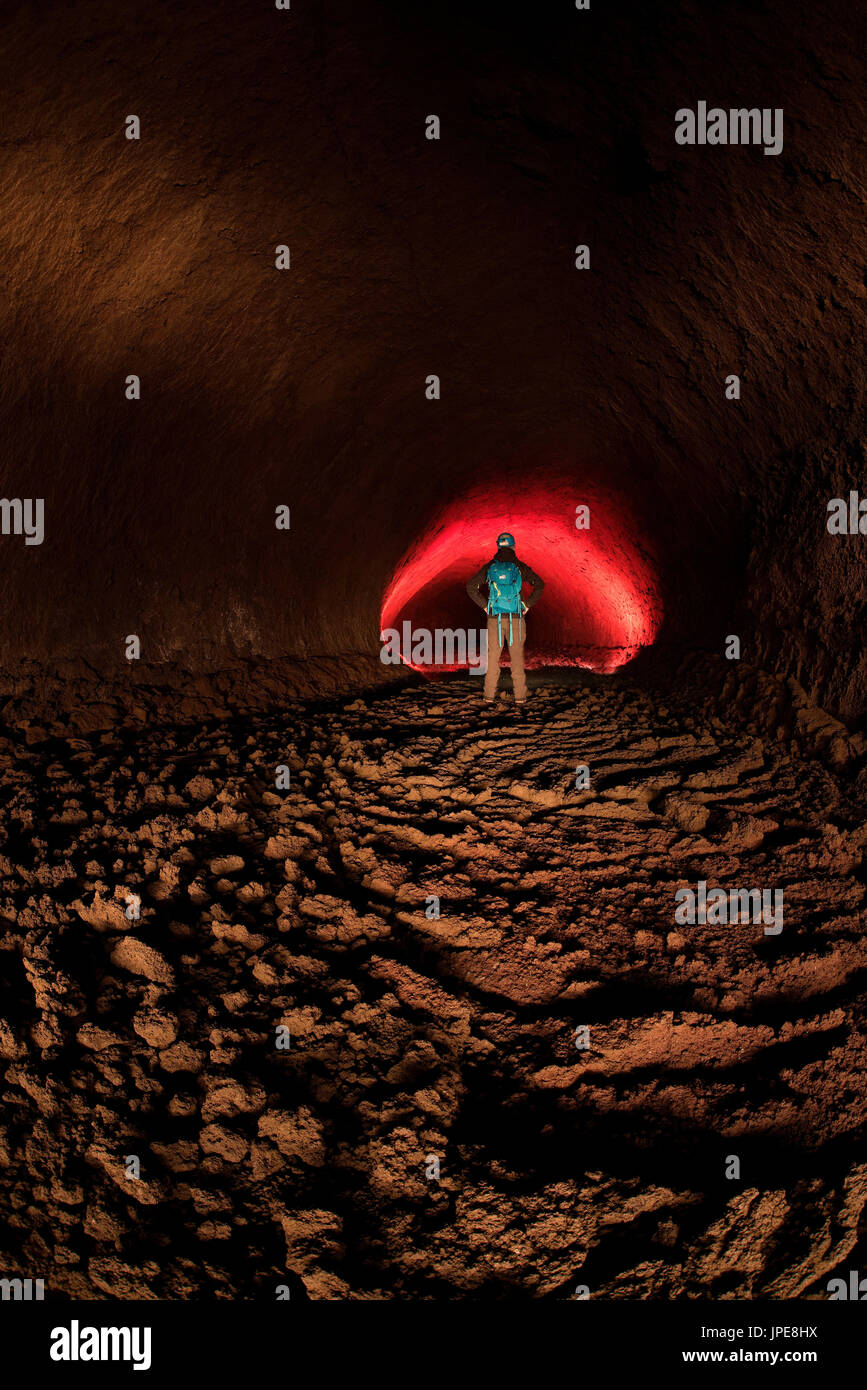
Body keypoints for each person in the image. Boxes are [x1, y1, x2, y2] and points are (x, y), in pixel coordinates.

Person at [466, 532, 545, 704]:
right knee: (516, 657)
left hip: (495, 618)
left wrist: (486, 606)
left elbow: (471, 586)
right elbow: (540, 584)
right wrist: (527, 604)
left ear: (498, 547)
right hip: (516, 616)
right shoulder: (519, 567)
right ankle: (520, 697)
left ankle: (488, 696)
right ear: (513, 546)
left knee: (493, 657)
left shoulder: (490, 567)